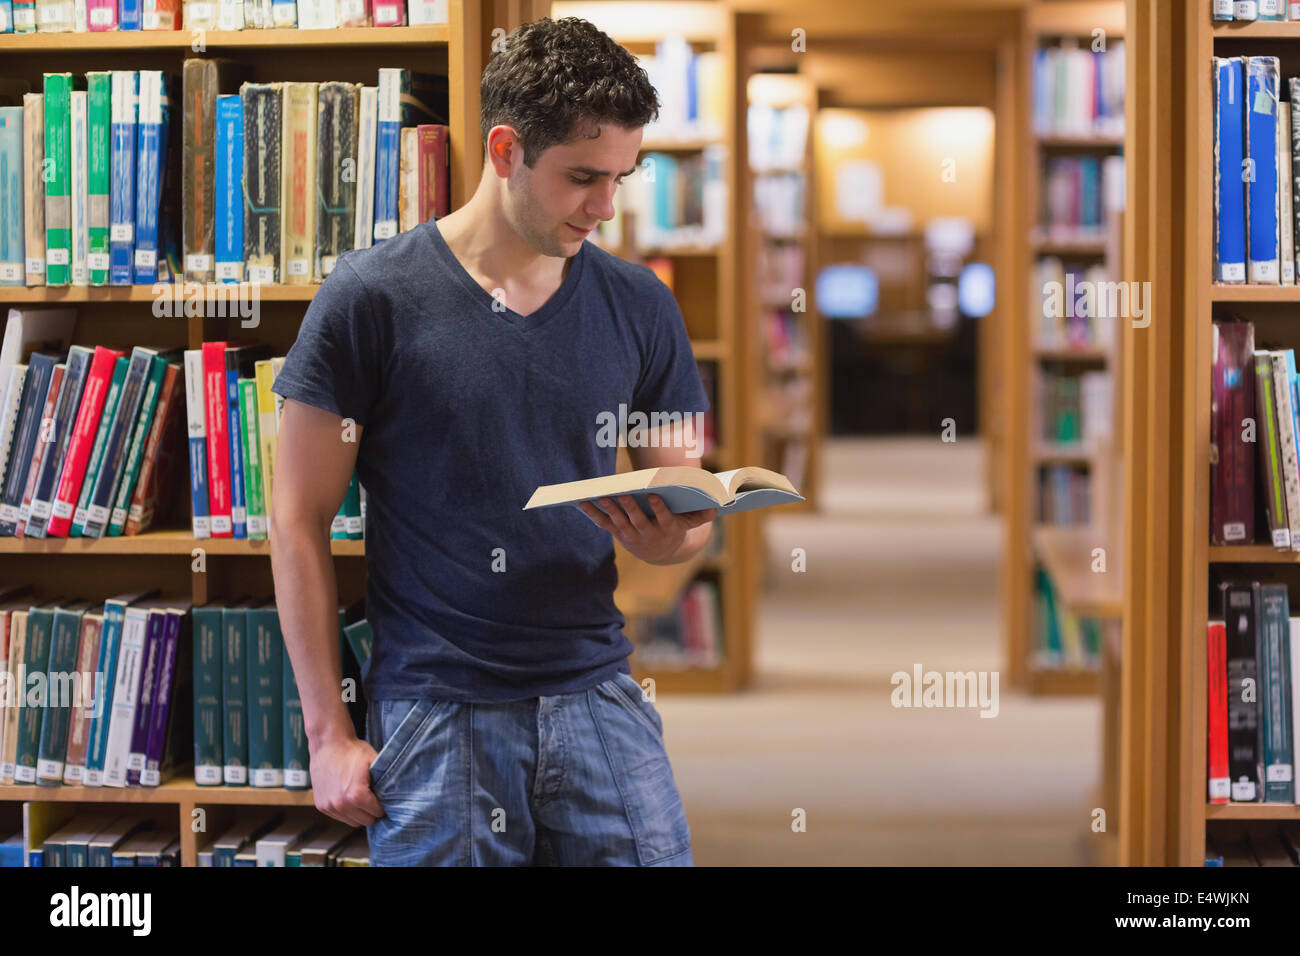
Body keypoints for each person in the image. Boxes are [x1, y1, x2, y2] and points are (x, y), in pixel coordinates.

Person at [269, 15, 715, 866]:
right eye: (584, 177)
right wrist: (328, 734)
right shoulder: (370, 298)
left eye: (623, 176)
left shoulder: (643, 305)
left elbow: (684, 497)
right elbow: (295, 518)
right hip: (439, 709)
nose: (607, 207)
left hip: (597, 691)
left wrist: (677, 533)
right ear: (505, 150)